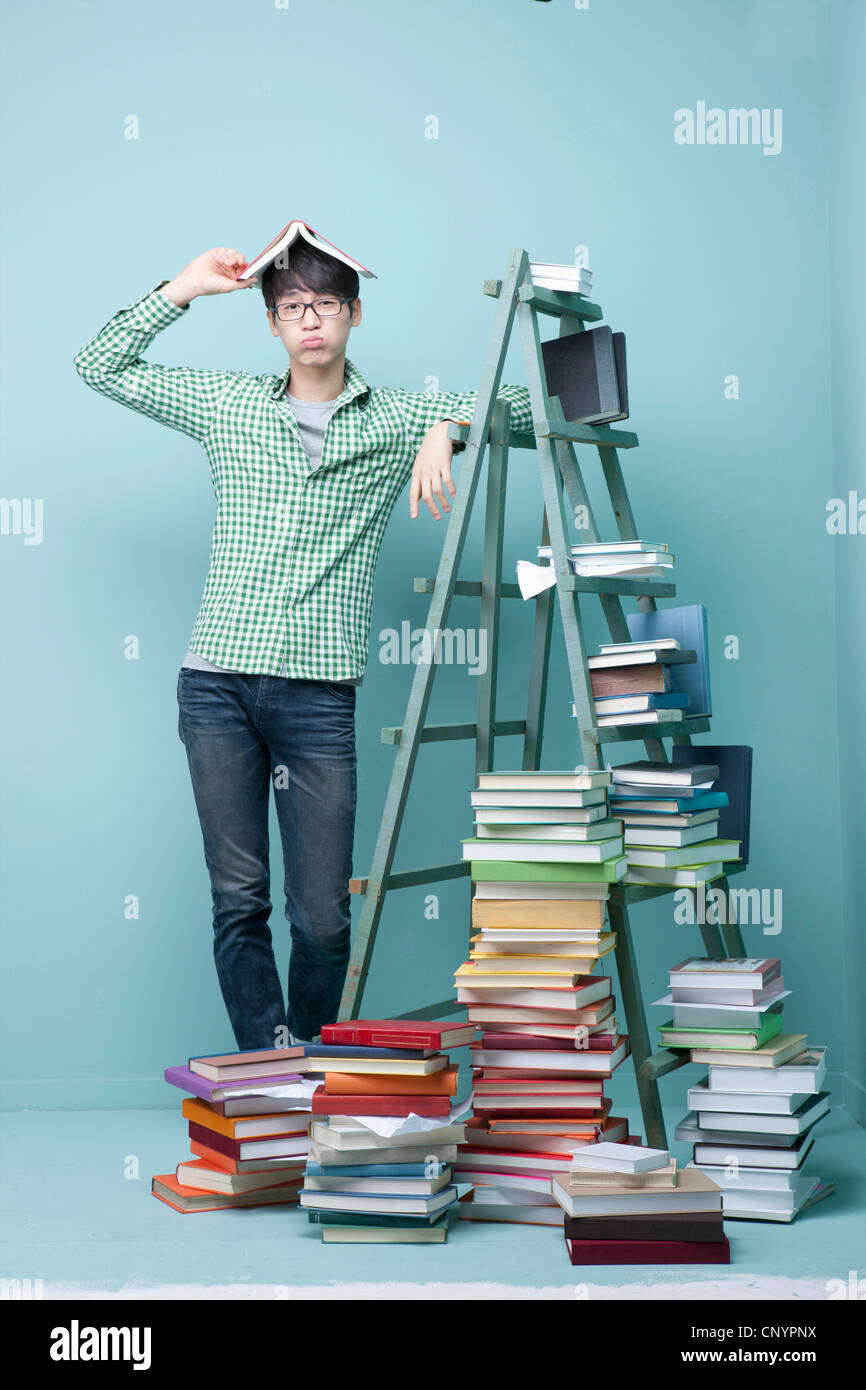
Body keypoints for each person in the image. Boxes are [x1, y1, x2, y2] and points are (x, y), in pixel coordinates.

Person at [73, 240, 533, 1050]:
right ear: (271, 323)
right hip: (215, 686)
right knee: (238, 896)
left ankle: (317, 1071)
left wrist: (446, 427)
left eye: (325, 304)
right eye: (292, 307)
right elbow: (100, 365)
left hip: (317, 694)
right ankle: (269, 1073)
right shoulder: (230, 405)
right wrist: (184, 287)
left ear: (355, 313)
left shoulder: (392, 418)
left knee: (321, 912)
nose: (309, 319)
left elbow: (532, 406)